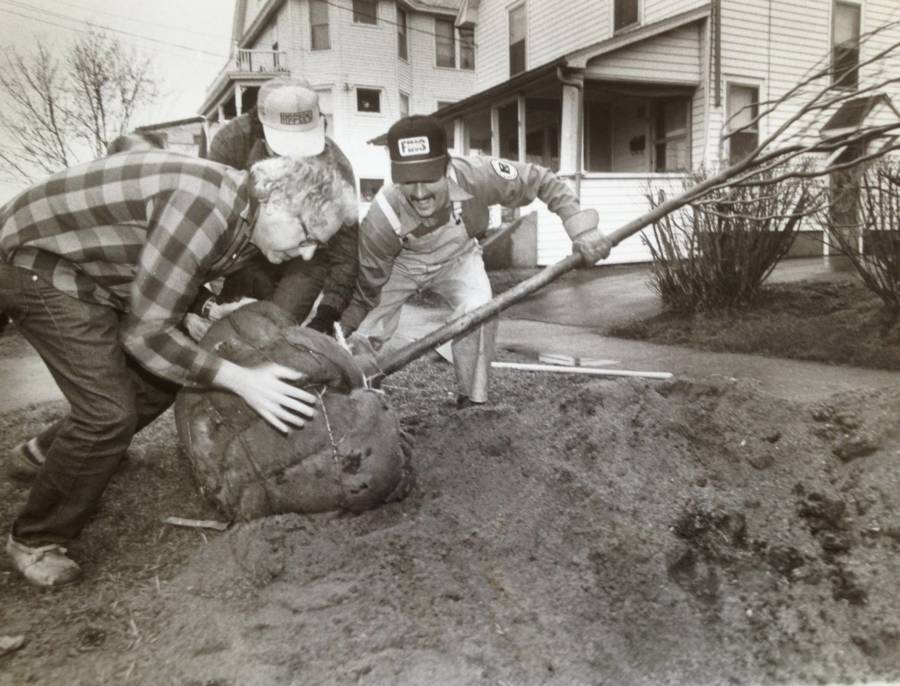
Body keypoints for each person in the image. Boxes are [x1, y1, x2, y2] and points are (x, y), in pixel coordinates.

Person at [0, 148, 357, 587]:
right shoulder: (204, 208)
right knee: (107, 415)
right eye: (305, 236)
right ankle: (34, 540)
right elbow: (145, 334)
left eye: (317, 246)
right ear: (278, 200)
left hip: (91, 269)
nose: (305, 255)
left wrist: (207, 306)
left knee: (162, 382)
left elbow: (163, 274)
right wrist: (241, 380)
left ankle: (45, 456)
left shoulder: (246, 219)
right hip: (36, 261)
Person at [341, 115, 612, 409]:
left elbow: (542, 180)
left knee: (479, 312)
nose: (420, 194)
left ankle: (472, 402)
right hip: (400, 266)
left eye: (430, 179)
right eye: (408, 182)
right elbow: (366, 290)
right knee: (362, 332)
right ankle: (354, 397)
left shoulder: (477, 175)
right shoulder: (382, 218)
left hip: (458, 259)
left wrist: (581, 228)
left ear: (447, 167)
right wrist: (338, 328)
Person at [204, 77, 359, 335]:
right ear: (260, 130)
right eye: (284, 150)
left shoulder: (336, 166)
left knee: (274, 329)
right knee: (231, 328)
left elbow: (345, 251)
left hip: (306, 256)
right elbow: (207, 228)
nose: (294, 161)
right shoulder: (231, 143)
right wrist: (201, 303)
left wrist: (327, 313)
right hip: (244, 249)